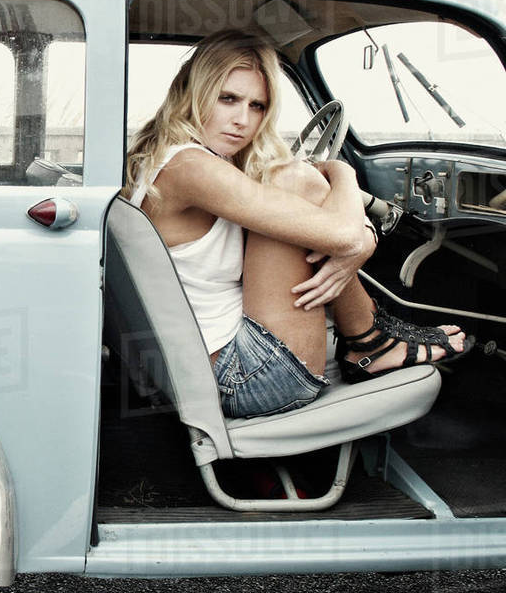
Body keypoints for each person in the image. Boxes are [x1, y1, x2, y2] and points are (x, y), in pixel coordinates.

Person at [124, 30, 468, 419]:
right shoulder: (190, 167)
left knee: (293, 182)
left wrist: (350, 240)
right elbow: (342, 235)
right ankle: (369, 341)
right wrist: (342, 174)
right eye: (228, 99)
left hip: (201, 366)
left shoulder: (170, 159)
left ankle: (369, 339)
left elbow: (340, 236)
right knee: (297, 181)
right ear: (192, 94)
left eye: (257, 106)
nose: (242, 120)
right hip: (248, 376)